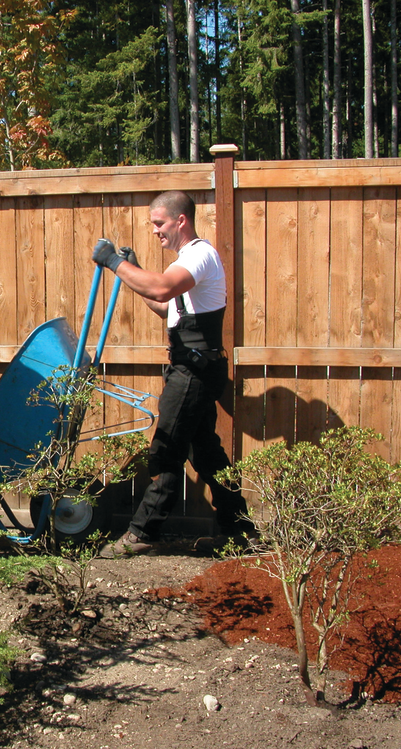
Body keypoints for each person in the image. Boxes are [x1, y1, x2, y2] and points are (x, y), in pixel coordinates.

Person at [91, 190, 255, 557]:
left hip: (193, 370)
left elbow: (162, 287)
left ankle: (142, 532)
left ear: (181, 220)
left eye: (159, 223)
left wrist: (115, 264)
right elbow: (165, 306)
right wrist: (131, 269)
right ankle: (241, 531)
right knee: (206, 453)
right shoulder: (186, 260)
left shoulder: (199, 255)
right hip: (196, 366)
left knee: (166, 449)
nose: (155, 231)